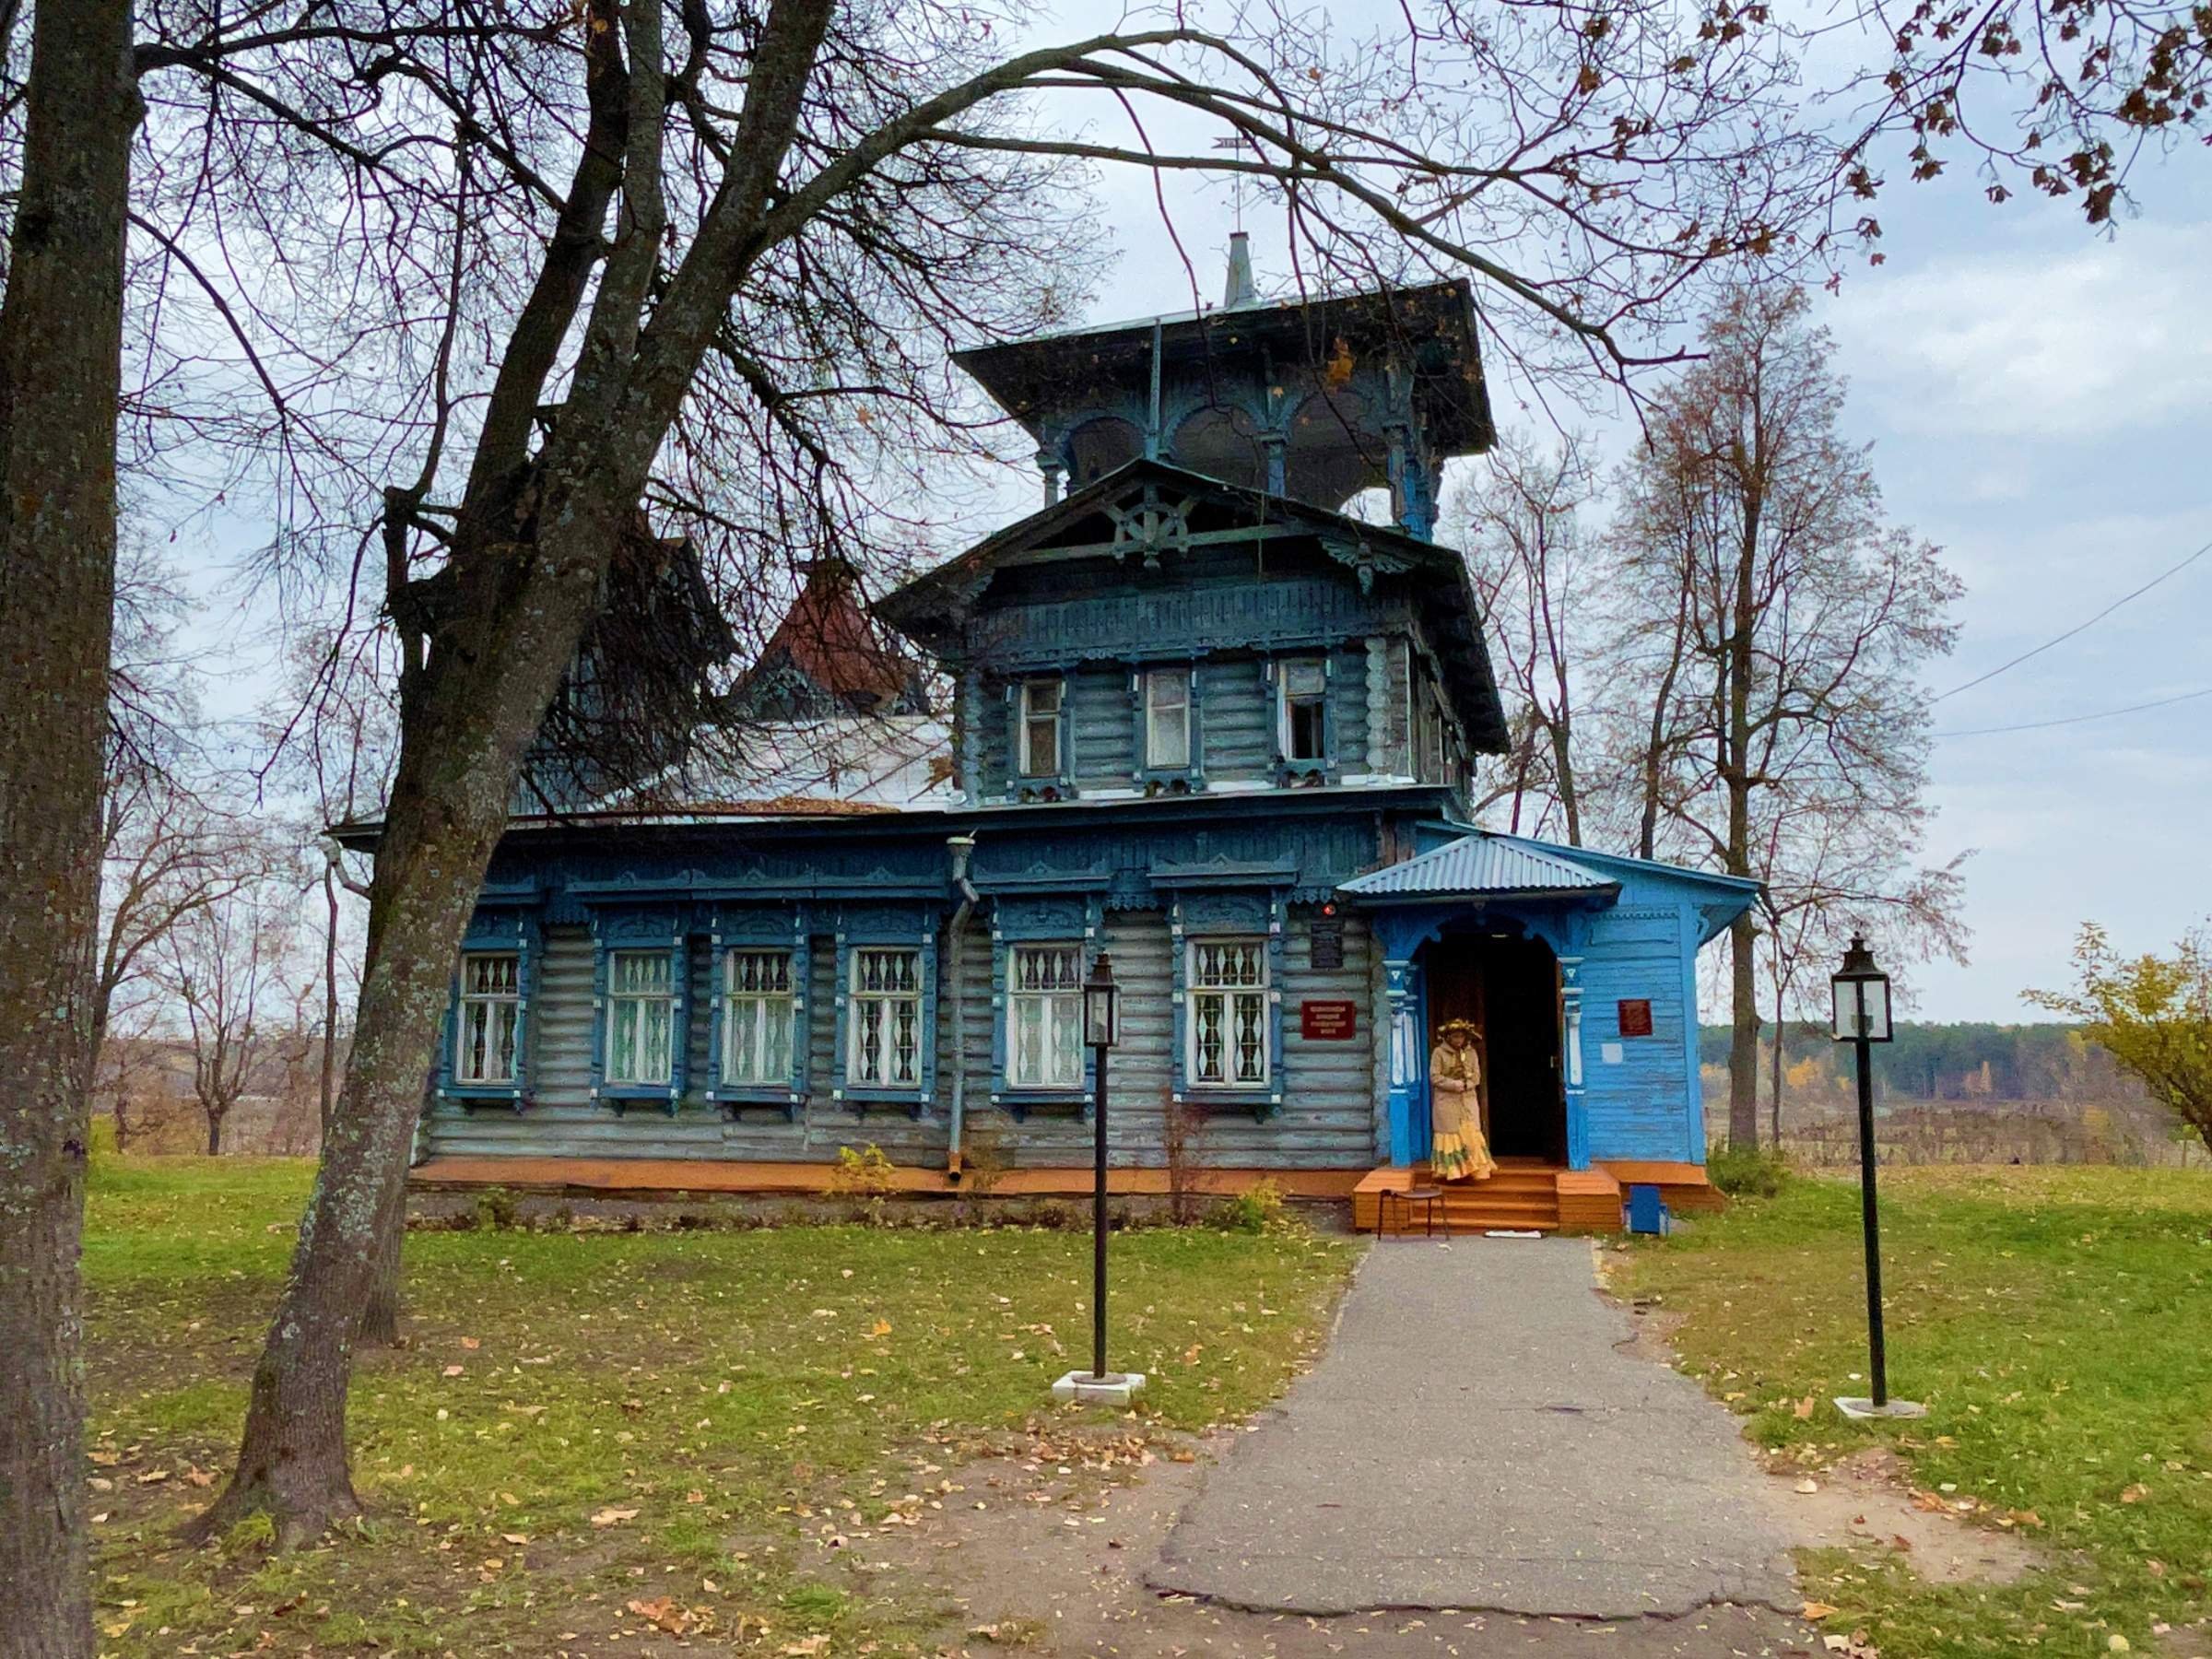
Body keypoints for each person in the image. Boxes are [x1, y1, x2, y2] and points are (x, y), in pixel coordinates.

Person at [1429, 1018, 1496, 1182]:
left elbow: (1477, 1076)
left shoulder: (1471, 1053)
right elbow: (1435, 1077)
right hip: (1447, 1100)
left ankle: (1472, 1170)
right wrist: (1454, 1084)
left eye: (1461, 1037)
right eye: (1455, 1037)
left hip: (1468, 1099)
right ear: (1448, 1038)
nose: (1458, 1040)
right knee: (1450, 1133)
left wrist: (1468, 1084)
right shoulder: (1439, 1053)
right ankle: (1453, 1172)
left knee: (1471, 1131)